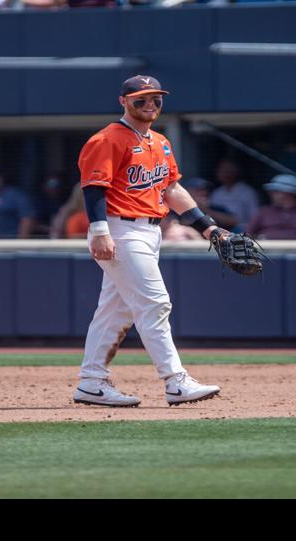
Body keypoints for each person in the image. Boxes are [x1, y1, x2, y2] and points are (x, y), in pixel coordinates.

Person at [72, 74, 227, 408]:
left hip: (149, 229)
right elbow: (94, 188)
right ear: (124, 102)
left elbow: (171, 188)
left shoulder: (160, 141)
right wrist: (100, 232)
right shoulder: (107, 139)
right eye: (140, 99)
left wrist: (208, 227)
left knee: (114, 313)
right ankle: (175, 381)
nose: (150, 105)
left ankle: (91, 382)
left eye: (156, 99)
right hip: (119, 229)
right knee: (155, 304)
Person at [209, 159, 259, 226]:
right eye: (220, 170)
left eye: (226, 170)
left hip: (242, 230)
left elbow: (254, 217)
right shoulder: (217, 192)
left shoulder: (247, 192)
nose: (221, 172)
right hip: (219, 229)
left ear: (235, 172)